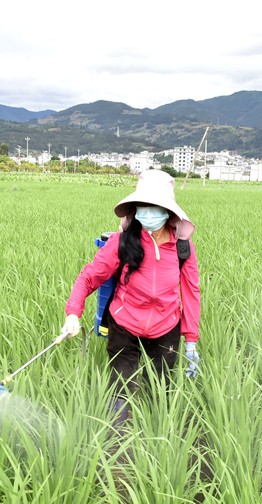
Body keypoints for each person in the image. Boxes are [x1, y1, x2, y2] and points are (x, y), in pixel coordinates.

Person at [60, 168, 201, 426]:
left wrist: (190, 339)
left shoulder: (182, 248)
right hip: (125, 326)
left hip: (166, 327)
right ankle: (113, 447)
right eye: (142, 206)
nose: (148, 212)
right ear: (134, 209)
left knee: (159, 394)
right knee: (119, 393)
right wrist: (72, 313)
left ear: (168, 211)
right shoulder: (122, 242)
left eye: (154, 206)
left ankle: (155, 444)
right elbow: (89, 277)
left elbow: (191, 292)